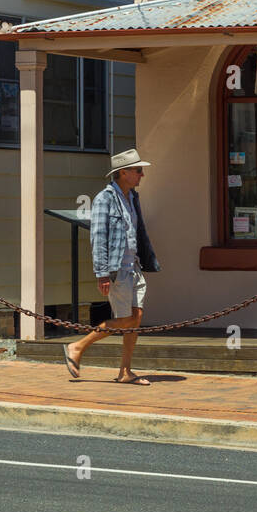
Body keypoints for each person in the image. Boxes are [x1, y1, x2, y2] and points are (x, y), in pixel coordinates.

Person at [63, 149, 160, 385]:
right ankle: (77, 346)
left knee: (135, 318)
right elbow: (98, 238)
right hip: (117, 270)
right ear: (123, 172)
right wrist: (102, 273)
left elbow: (138, 233)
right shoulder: (104, 199)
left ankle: (125, 372)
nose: (142, 174)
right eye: (138, 170)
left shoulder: (132, 197)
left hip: (133, 267)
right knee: (125, 319)